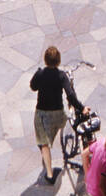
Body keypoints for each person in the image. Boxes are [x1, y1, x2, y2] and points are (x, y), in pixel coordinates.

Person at [30, 46, 84, 183]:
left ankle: (49, 175)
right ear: (58, 61)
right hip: (58, 114)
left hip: (42, 114)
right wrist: (82, 108)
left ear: (45, 60)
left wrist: (38, 76)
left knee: (44, 144)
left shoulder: (40, 74)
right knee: (63, 122)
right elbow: (70, 95)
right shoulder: (61, 76)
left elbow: (33, 87)